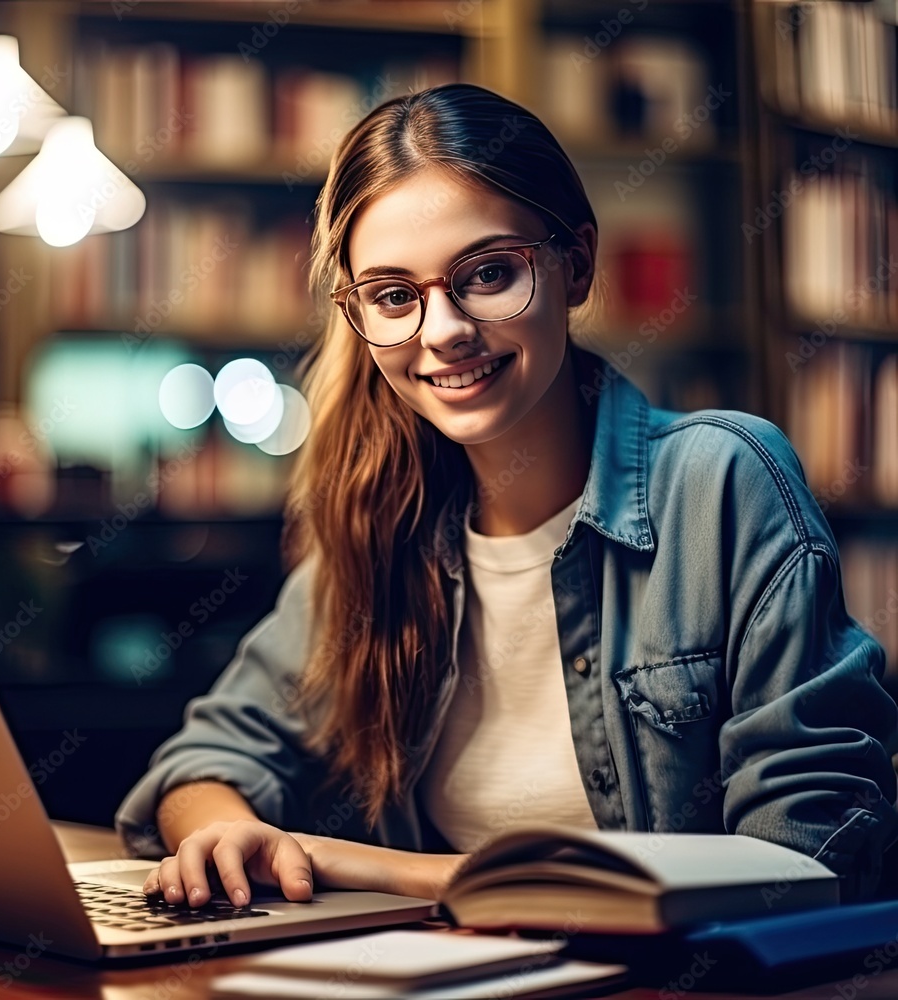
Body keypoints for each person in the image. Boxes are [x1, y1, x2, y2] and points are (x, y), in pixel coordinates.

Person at [116, 83, 898, 910]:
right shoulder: (384, 529)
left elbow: (814, 856)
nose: (443, 329)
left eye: (488, 273)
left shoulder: (724, 481)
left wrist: (385, 870)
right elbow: (203, 759)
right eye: (392, 295)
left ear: (577, 264)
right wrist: (227, 831)